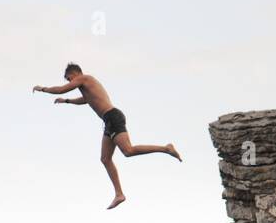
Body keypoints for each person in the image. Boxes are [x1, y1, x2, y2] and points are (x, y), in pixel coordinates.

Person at [33, 64, 181, 209]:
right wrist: (67, 101)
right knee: (105, 158)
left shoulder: (85, 78)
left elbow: (61, 90)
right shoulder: (86, 86)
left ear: (75, 73)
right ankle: (119, 194)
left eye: (69, 78)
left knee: (128, 151)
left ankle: (165, 148)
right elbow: (85, 100)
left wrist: (43, 89)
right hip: (108, 121)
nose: (69, 82)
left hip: (113, 117)